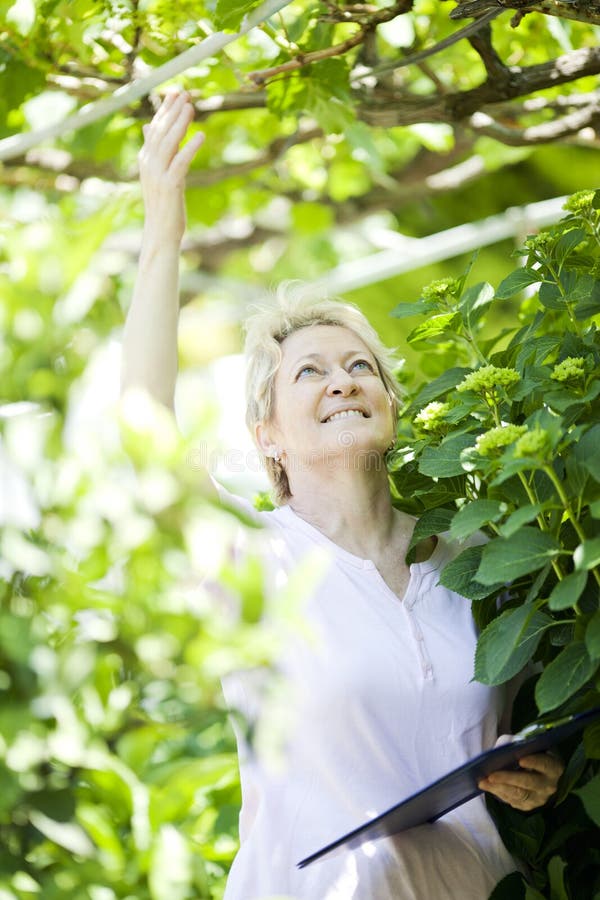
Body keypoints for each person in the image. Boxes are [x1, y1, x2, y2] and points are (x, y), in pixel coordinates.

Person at [121, 90, 564, 900]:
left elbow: (496, 750)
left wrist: (536, 778)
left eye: (362, 367)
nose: (342, 382)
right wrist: (163, 235)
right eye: (310, 372)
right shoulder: (251, 567)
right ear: (269, 437)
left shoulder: (476, 560)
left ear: (392, 408)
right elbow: (143, 428)